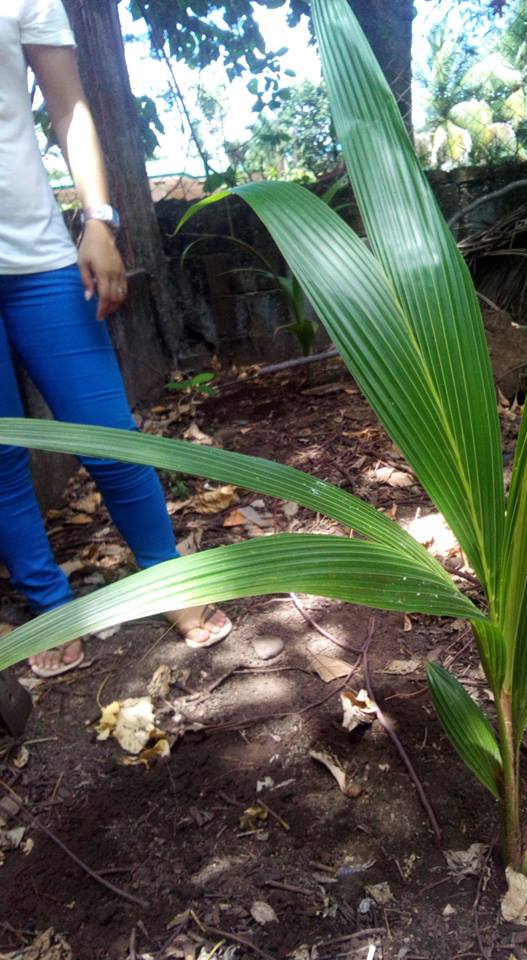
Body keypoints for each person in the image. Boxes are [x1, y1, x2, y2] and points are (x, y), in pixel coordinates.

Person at [0, 0, 232, 678]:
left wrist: (98, 220)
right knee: (3, 455)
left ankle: (165, 574)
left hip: (40, 256)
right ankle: (49, 605)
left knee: (108, 432)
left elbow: (68, 106)